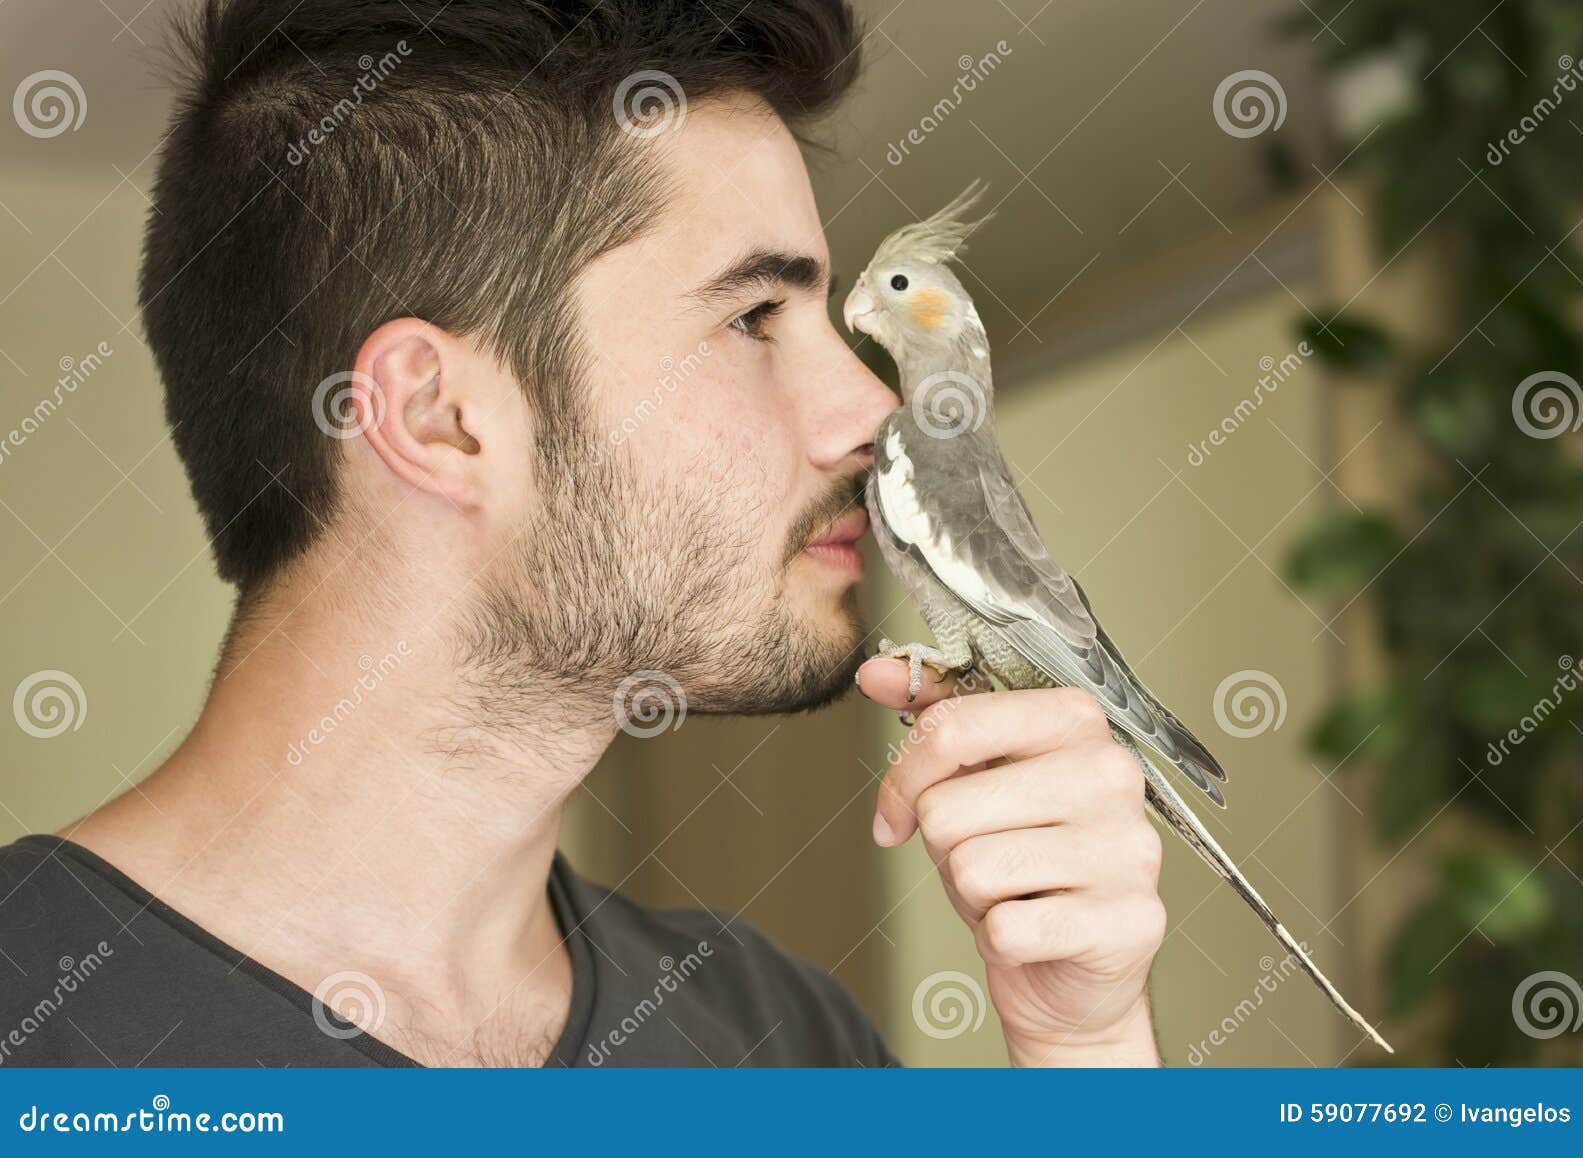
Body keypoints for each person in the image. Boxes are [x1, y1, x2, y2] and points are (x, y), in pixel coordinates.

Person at [0, 0, 1165, 1067]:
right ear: (438, 417)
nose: (869, 411)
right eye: (755, 316)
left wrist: (1085, 1048)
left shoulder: (784, 1035)